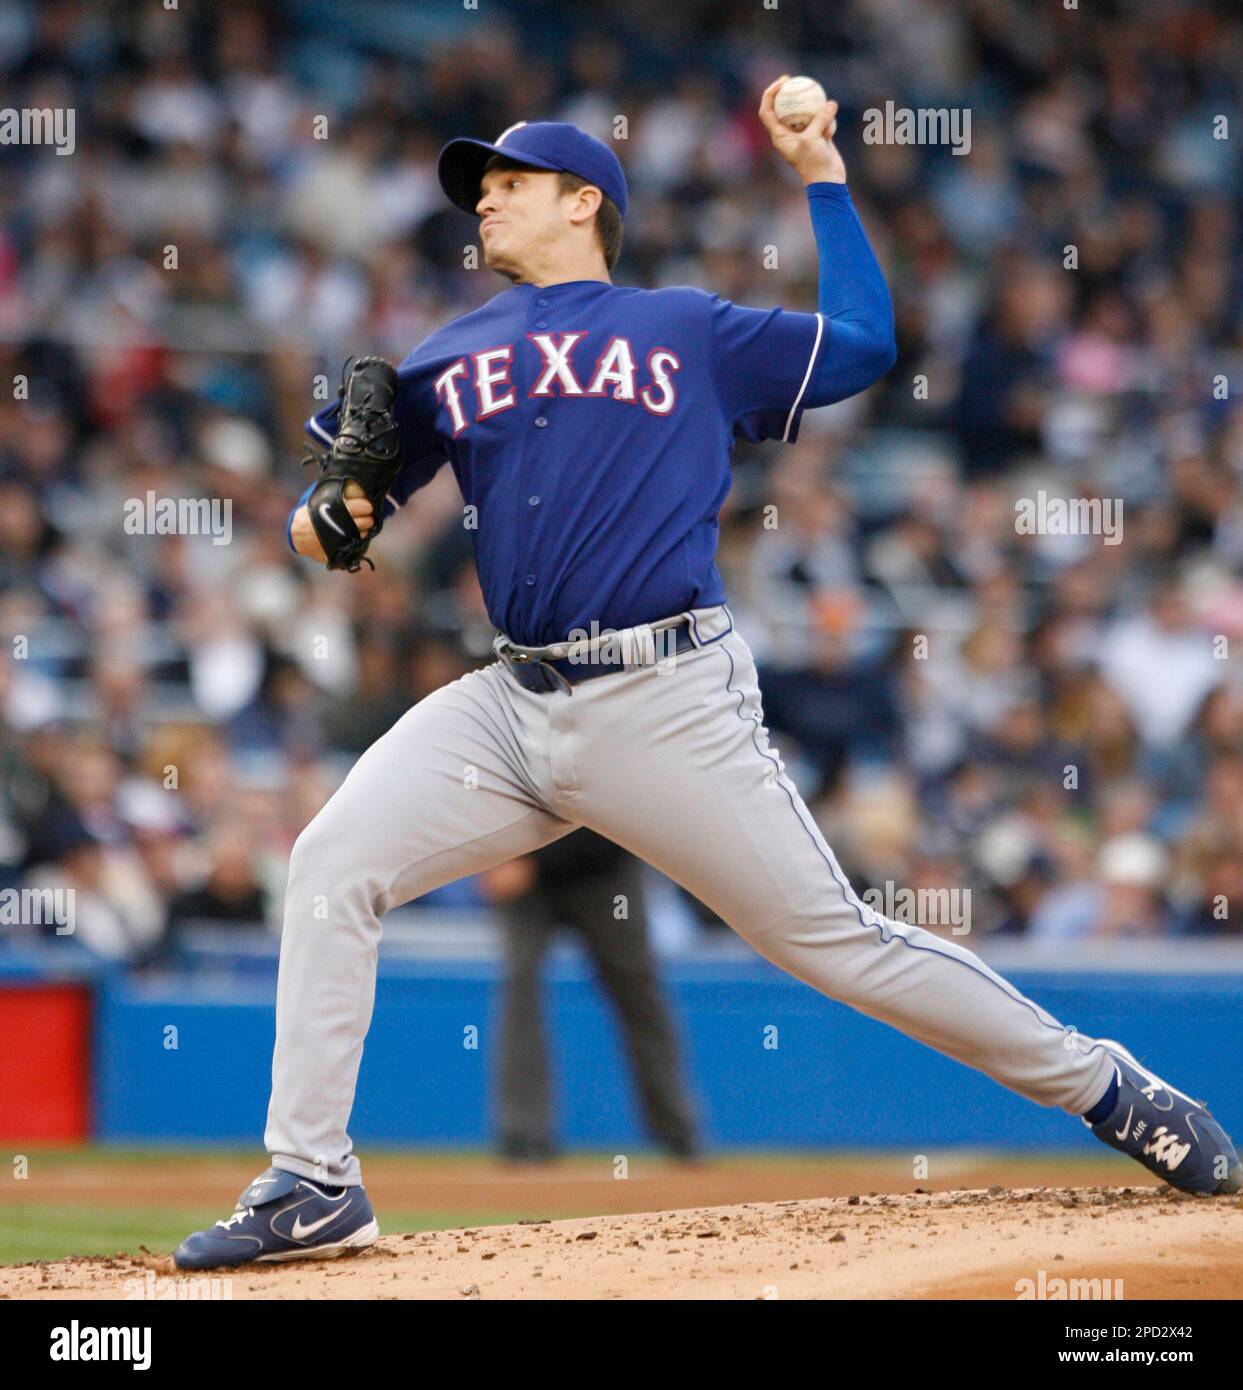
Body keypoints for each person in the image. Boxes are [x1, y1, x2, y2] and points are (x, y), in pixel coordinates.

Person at [175, 81, 1239, 1270]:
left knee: (834, 943)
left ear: (585, 202)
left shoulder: (683, 326)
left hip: (665, 697)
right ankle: (312, 1179)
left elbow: (866, 346)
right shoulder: (447, 353)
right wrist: (329, 514)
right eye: (479, 187)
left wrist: (822, 176)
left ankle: (1105, 1084)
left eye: (508, 181)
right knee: (331, 862)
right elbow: (329, 528)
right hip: (508, 704)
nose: (484, 198)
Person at [481, 830, 699, 1163]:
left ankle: (679, 1129)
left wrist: (534, 863)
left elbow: (611, 808)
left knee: (637, 989)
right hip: (524, 863)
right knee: (519, 987)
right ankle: (523, 1135)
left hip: (603, 868)